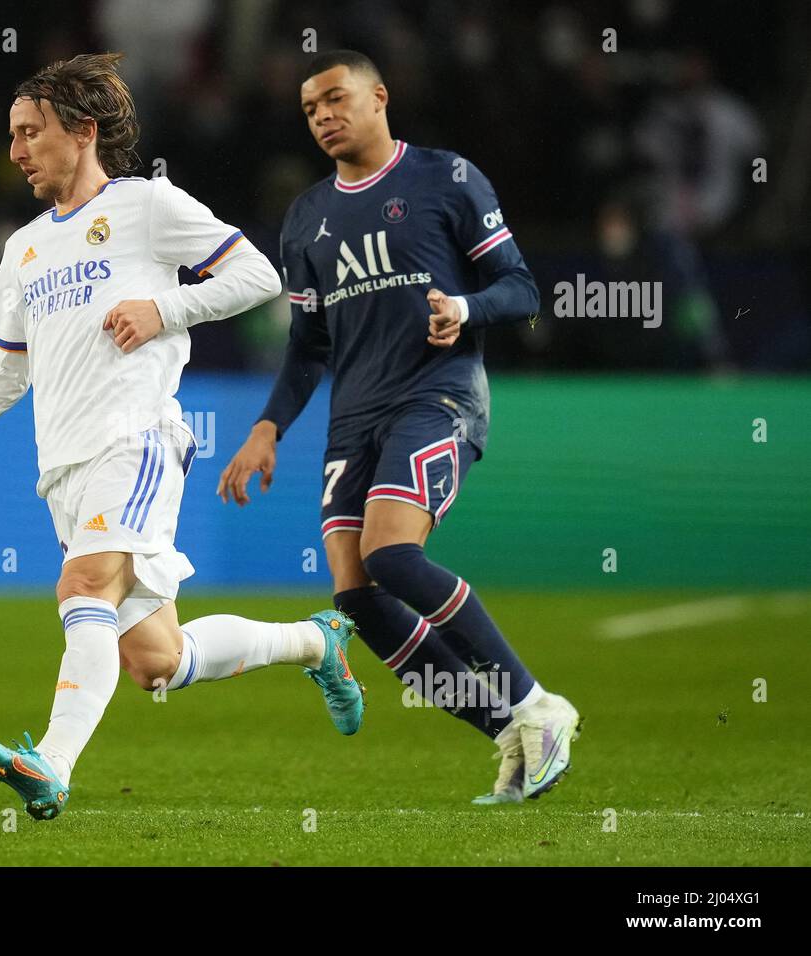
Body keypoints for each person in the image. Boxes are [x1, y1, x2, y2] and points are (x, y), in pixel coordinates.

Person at [0, 53, 364, 821]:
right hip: (63, 473)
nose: (16, 151)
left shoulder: (145, 206)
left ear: (83, 131)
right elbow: (2, 376)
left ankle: (50, 765)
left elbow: (258, 276)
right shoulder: (23, 250)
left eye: (31, 132)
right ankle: (316, 644)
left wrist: (166, 311)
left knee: (83, 586)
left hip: (137, 442)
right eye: (13, 134)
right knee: (157, 661)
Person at [219, 50, 580, 803]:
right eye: (309, 107)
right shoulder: (306, 218)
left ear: (379, 97)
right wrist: (267, 428)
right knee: (355, 594)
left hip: (437, 397)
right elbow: (306, 347)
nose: (321, 114)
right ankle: (507, 732)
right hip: (353, 421)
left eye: (335, 98)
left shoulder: (445, 179)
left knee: (390, 554)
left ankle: (537, 704)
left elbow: (520, 287)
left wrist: (466, 307)